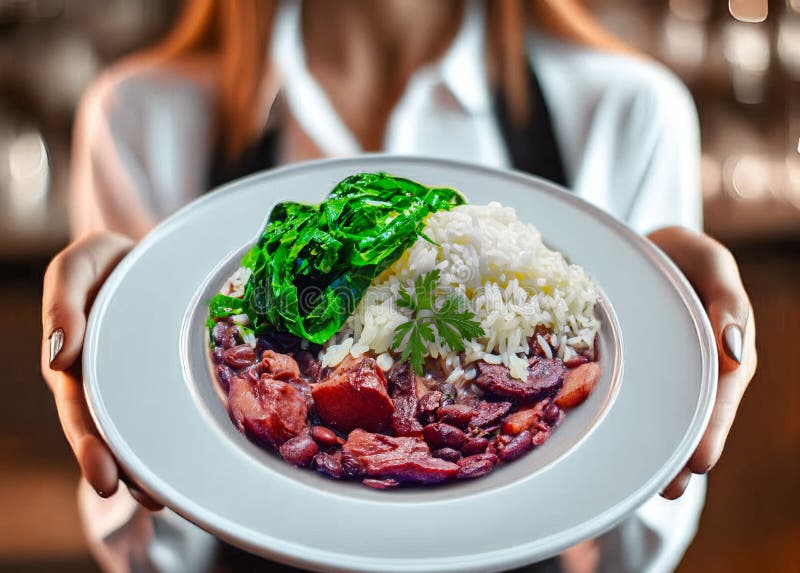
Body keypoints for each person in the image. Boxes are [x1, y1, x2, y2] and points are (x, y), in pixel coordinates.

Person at [40, 0, 757, 571]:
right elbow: (156, 558)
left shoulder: (629, 113)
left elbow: (629, 558)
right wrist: (122, 389)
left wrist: (674, 383)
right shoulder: (140, 116)